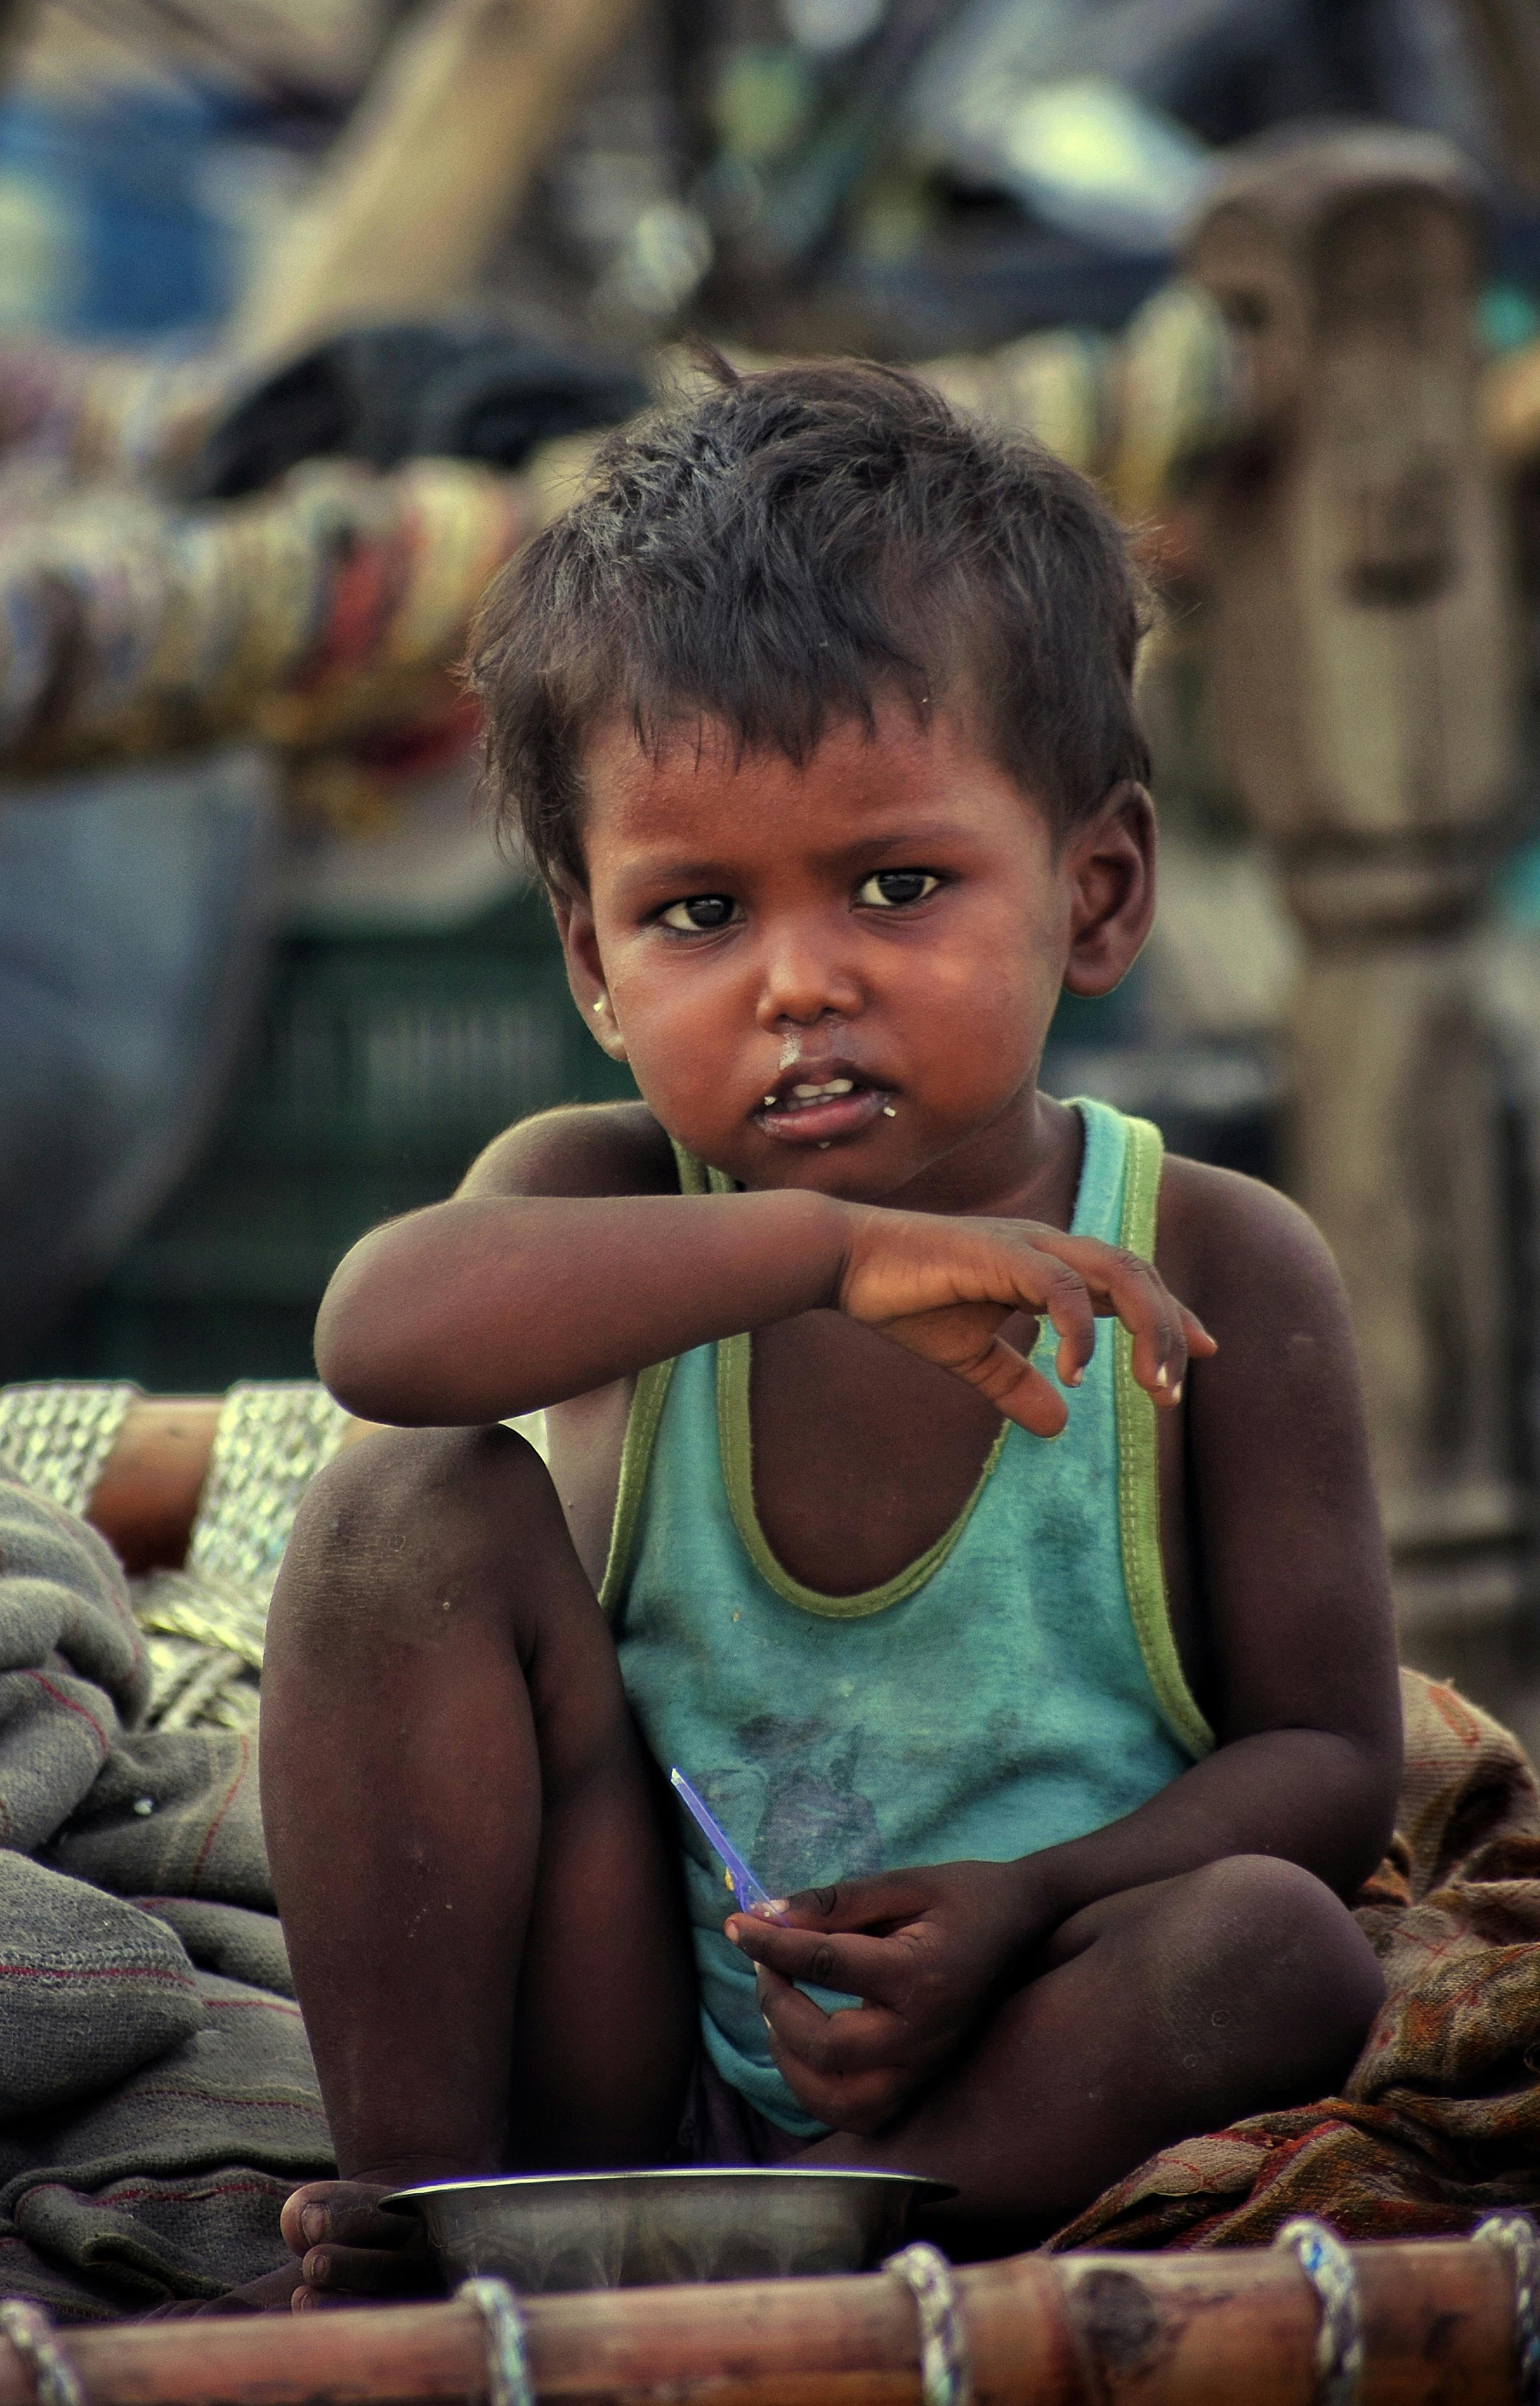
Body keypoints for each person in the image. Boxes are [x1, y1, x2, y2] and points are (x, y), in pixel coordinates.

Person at [258, 357, 1402, 2303]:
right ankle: (430, 2227)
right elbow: (382, 1338)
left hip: (1005, 2063)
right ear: (591, 964)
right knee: (394, 1514)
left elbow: (1329, 1761)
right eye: (696, 914)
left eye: (898, 885)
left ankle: (804, 2257)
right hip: (619, 2066)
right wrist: (821, 1251)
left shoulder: (1216, 1256)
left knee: (1279, 1951)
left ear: (1097, 893)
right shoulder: (601, 1204)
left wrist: (1022, 1907)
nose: (800, 984)